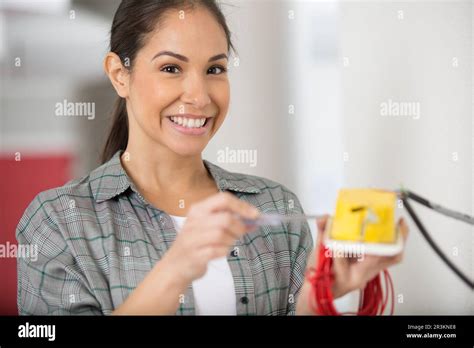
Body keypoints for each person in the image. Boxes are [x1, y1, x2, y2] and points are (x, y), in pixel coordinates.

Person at [16, 0, 408, 315]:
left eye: (214, 69)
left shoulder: (276, 205)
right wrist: (177, 268)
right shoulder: (58, 222)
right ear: (120, 75)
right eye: (171, 68)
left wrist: (320, 291)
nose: (199, 96)